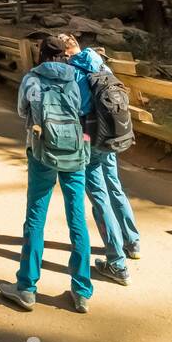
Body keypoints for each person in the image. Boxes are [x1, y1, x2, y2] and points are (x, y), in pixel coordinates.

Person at [0, 34, 93, 314]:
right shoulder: (74, 76)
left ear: (41, 54)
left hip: (41, 150)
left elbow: (20, 110)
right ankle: (82, 290)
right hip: (74, 152)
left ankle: (27, 287)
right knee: (77, 218)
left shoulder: (32, 78)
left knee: (35, 217)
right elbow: (82, 108)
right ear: (64, 55)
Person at [63, 34, 140, 280]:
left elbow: (74, 109)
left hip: (89, 138)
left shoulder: (73, 73)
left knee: (99, 196)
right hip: (112, 136)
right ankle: (132, 241)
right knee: (114, 186)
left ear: (65, 53)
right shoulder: (100, 63)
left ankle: (117, 262)